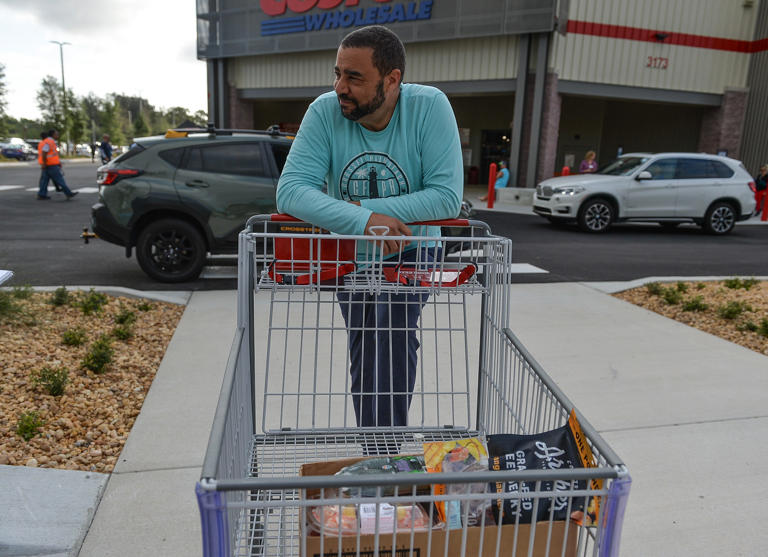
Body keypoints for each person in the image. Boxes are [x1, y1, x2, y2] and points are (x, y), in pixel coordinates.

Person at [277, 25, 463, 431]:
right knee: (364, 341)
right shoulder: (324, 111)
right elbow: (290, 192)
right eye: (338, 73)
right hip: (355, 248)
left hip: (414, 248)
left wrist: (358, 207)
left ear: (392, 79)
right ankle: (373, 448)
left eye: (354, 77)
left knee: (392, 325)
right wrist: (365, 221)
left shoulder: (430, 107)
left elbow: (446, 198)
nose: (341, 87)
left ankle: (387, 451)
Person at [37, 129, 77, 200]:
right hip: (51, 165)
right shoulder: (49, 142)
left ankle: (42, 194)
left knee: (44, 181)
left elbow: (50, 154)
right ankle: (68, 193)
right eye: (56, 134)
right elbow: (44, 152)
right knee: (60, 180)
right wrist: (44, 163)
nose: (58, 136)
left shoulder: (48, 141)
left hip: (47, 165)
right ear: (53, 135)